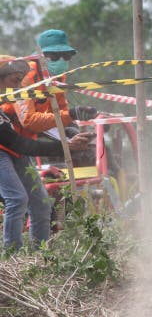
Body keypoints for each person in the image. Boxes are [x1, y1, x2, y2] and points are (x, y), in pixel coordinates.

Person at [0, 55, 92, 250]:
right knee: (17, 199)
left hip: (16, 150)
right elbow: (22, 140)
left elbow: (50, 120)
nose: (19, 86)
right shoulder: (17, 95)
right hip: (8, 150)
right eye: (16, 81)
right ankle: (11, 258)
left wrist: (70, 131)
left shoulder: (47, 86)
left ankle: (39, 256)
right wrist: (66, 146)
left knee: (41, 203)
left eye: (21, 81)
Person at [10, 29, 98, 166]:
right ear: (41, 56)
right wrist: (71, 114)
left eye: (66, 56)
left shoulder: (57, 77)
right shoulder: (25, 76)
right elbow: (28, 120)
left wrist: (71, 129)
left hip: (23, 144)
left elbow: (60, 108)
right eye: (55, 57)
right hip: (7, 137)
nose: (61, 61)